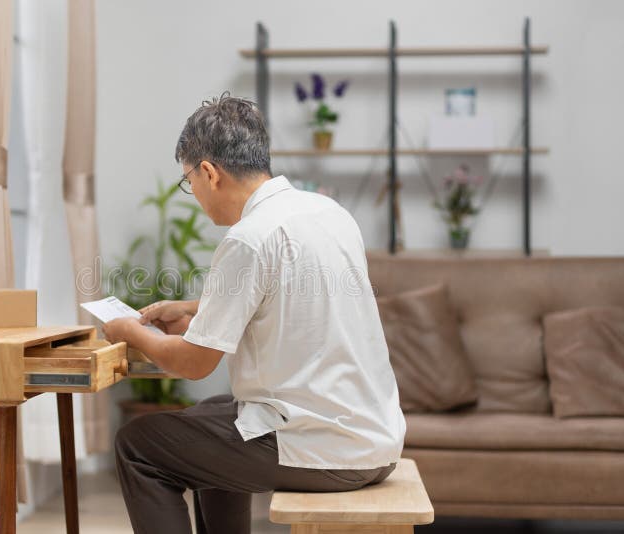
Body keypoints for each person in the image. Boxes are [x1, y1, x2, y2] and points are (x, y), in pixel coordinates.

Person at [102, 94, 405, 534]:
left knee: (138, 446)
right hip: (375, 436)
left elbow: (192, 364)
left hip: (326, 453)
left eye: (190, 181)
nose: (197, 196)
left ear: (209, 172)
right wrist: (194, 310)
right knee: (217, 416)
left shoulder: (249, 237)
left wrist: (128, 330)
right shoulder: (328, 212)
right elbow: (291, 299)